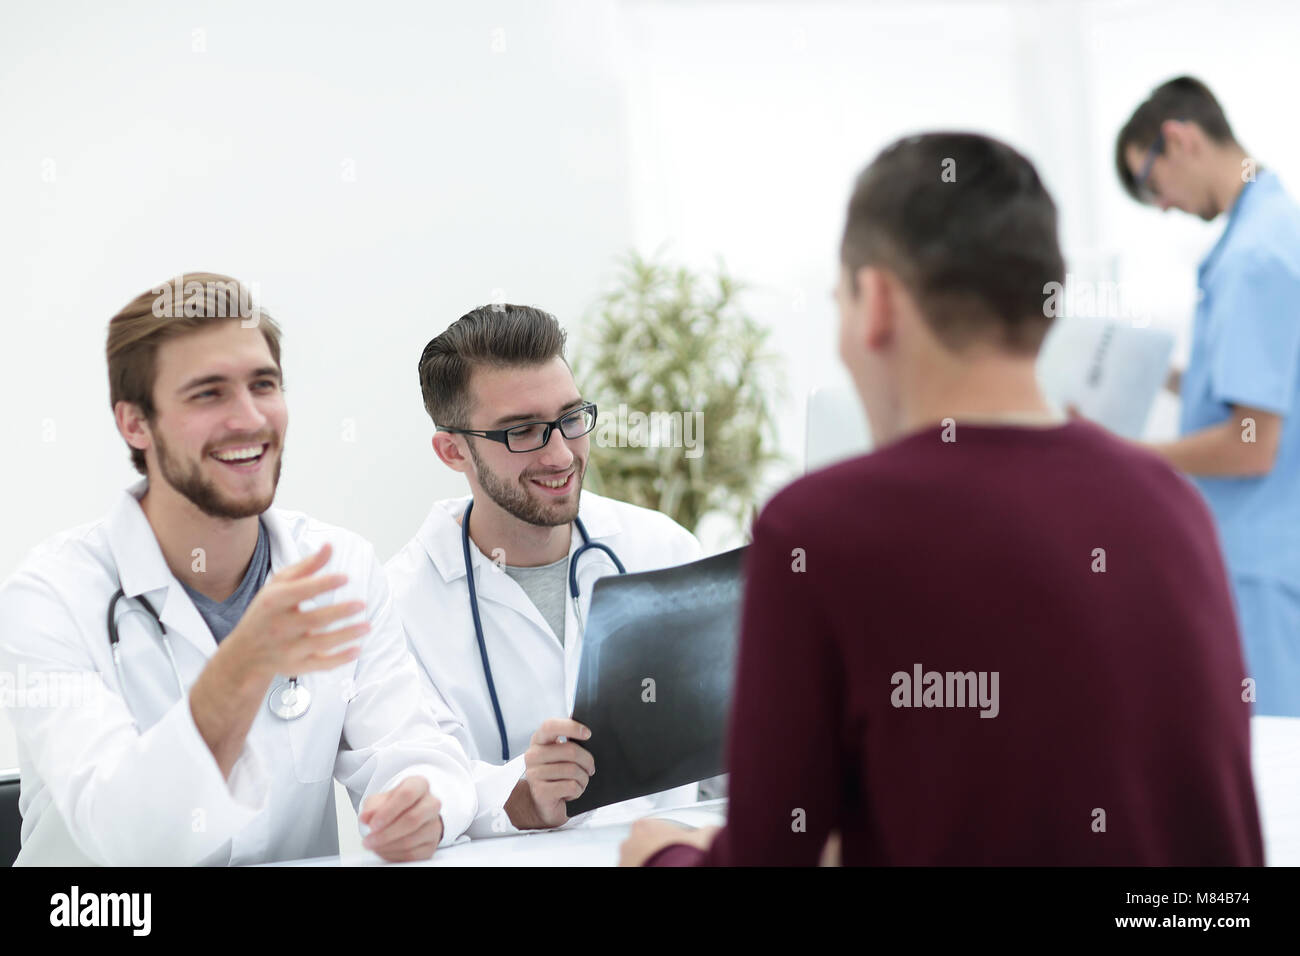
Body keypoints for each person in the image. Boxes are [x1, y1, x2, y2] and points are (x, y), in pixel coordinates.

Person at [621, 133, 1264, 866]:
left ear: (878, 303)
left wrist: (663, 857)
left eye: (839, 302)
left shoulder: (819, 530)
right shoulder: (1169, 503)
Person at [0, 274, 479, 865]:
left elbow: (413, 748)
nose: (249, 418)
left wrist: (423, 802)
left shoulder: (339, 567)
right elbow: (127, 839)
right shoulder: (51, 598)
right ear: (134, 423)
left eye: (264, 384)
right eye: (209, 393)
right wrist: (244, 664)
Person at [386, 305, 702, 834]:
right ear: (452, 451)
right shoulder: (400, 603)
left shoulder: (663, 548)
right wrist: (521, 796)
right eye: (523, 431)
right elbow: (410, 787)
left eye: (570, 419)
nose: (560, 454)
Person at [1114, 77, 1300, 717]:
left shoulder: (1253, 256)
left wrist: (1123, 456)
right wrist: (1160, 373)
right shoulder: (1271, 228)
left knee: (1276, 781)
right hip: (1272, 554)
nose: (1161, 205)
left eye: (1148, 183)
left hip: (1263, 569)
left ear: (1180, 138)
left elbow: (1252, 446)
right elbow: (1266, 388)